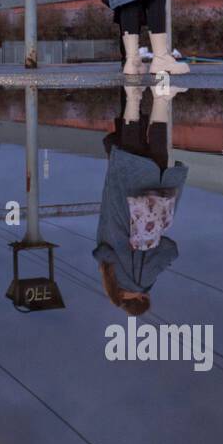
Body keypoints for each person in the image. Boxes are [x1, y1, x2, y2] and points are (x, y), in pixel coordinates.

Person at [91, 85, 188, 313]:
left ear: (142, 298)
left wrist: (150, 243)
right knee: (131, 141)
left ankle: (162, 93)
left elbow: (169, 250)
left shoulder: (141, 280)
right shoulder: (107, 267)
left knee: (157, 147)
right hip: (120, 194)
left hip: (149, 200)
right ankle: (133, 91)